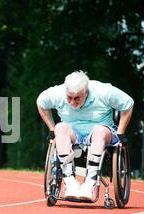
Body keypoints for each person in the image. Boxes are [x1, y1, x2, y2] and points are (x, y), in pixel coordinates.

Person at [36, 71, 134, 201]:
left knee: (99, 131)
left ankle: (89, 184)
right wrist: (51, 128)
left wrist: (121, 132)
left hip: (102, 132)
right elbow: (40, 102)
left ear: (86, 92)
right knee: (60, 128)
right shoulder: (57, 93)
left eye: (77, 98)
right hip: (73, 134)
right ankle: (70, 182)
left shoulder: (104, 91)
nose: (72, 102)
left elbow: (128, 103)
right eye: (69, 98)